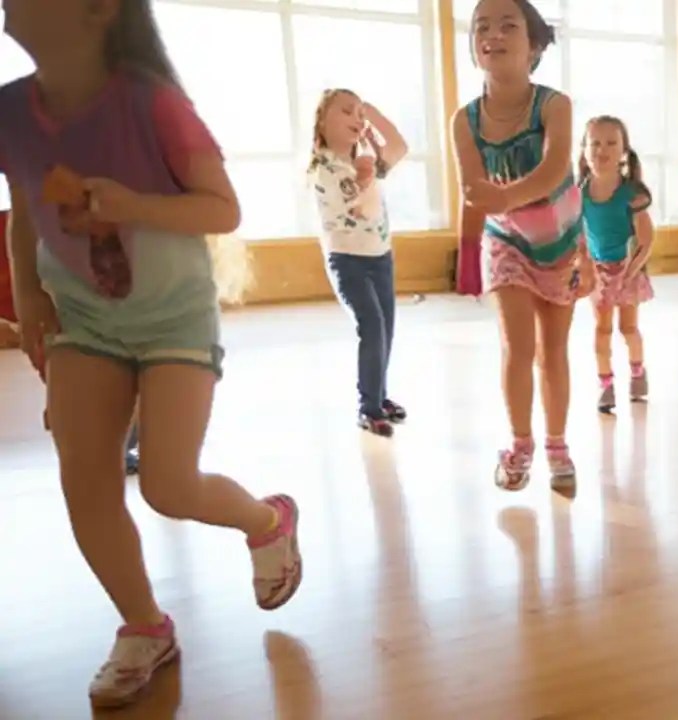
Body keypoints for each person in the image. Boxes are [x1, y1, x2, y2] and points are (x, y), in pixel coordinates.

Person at [0, 0, 302, 707]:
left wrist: (130, 204)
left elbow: (222, 210)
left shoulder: (152, 103)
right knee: (85, 478)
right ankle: (144, 623)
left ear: (97, 10)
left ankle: (267, 521)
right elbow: (22, 213)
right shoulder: (11, 111)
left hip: (173, 317)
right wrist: (33, 302)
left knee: (168, 484)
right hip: (81, 317)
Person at [451, 0, 595, 491]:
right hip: (505, 239)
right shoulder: (463, 121)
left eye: (507, 25)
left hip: (561, 243)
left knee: (552, 351)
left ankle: (557, 443)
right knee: (517, 344)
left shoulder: (555, 105)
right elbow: (474, 190)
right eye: (481, 27)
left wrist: (504, 195)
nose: (493, 34)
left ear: (533, 46)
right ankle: (520, 443)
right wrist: (468, 251)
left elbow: (556, 169)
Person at [308, 88, 410, 436]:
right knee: (371, 325)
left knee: (386, 328)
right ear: (323, 121)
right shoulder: (324, 166)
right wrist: (369, 169)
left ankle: (379, 397)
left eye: (359, 113)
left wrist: (374, 116)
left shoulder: (364, 158)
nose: (356, 119)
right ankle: (368, 407)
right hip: (347, 258)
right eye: (346, 111)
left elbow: (399, 147)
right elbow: (355, 201)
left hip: (380, 255)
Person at [579, 115, 655, 413]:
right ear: (584, 150)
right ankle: (605, 384)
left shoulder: (631, 193)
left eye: (611, 143)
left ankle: (637, 371)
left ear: (624, 151)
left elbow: (646, 240)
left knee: (628, 327)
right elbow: (578, 234)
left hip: (627, 269)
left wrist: (629, 274)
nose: (602, 150)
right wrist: (583, 265)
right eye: (595, 143)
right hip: (597, 272)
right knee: (601, 330)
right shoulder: (580, 193)